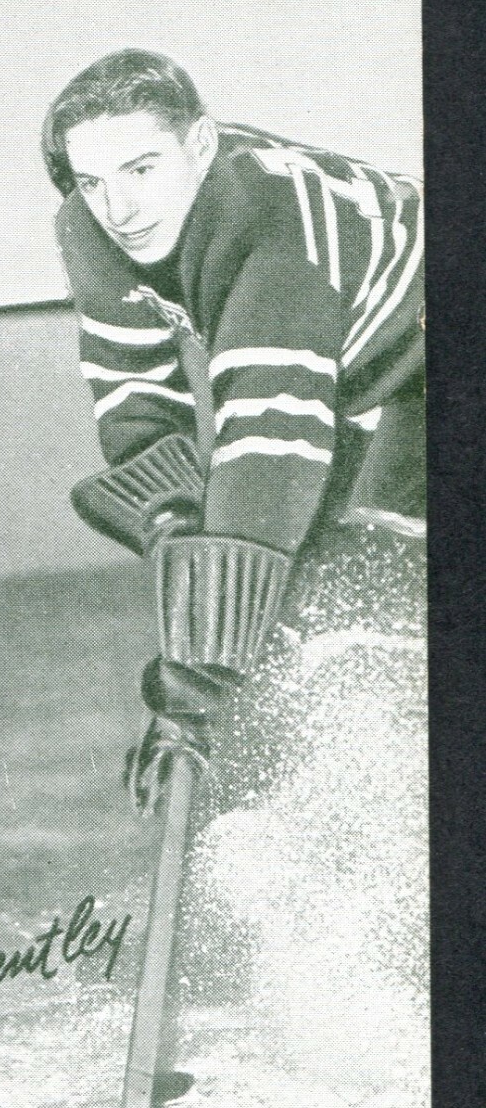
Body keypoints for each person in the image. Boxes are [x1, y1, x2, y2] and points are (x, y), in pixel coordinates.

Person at [42, 48, 425, 807]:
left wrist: (199, 663)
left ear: (201, 145)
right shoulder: (90, 229)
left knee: (361, 594)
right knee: (300, 605)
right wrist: (172, 519)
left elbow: (268, 441)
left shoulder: (268, 221)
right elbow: (135, 394)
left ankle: (399, 824)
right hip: (366, 374)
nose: (117, 209)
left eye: (141, 169)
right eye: (93, 181)